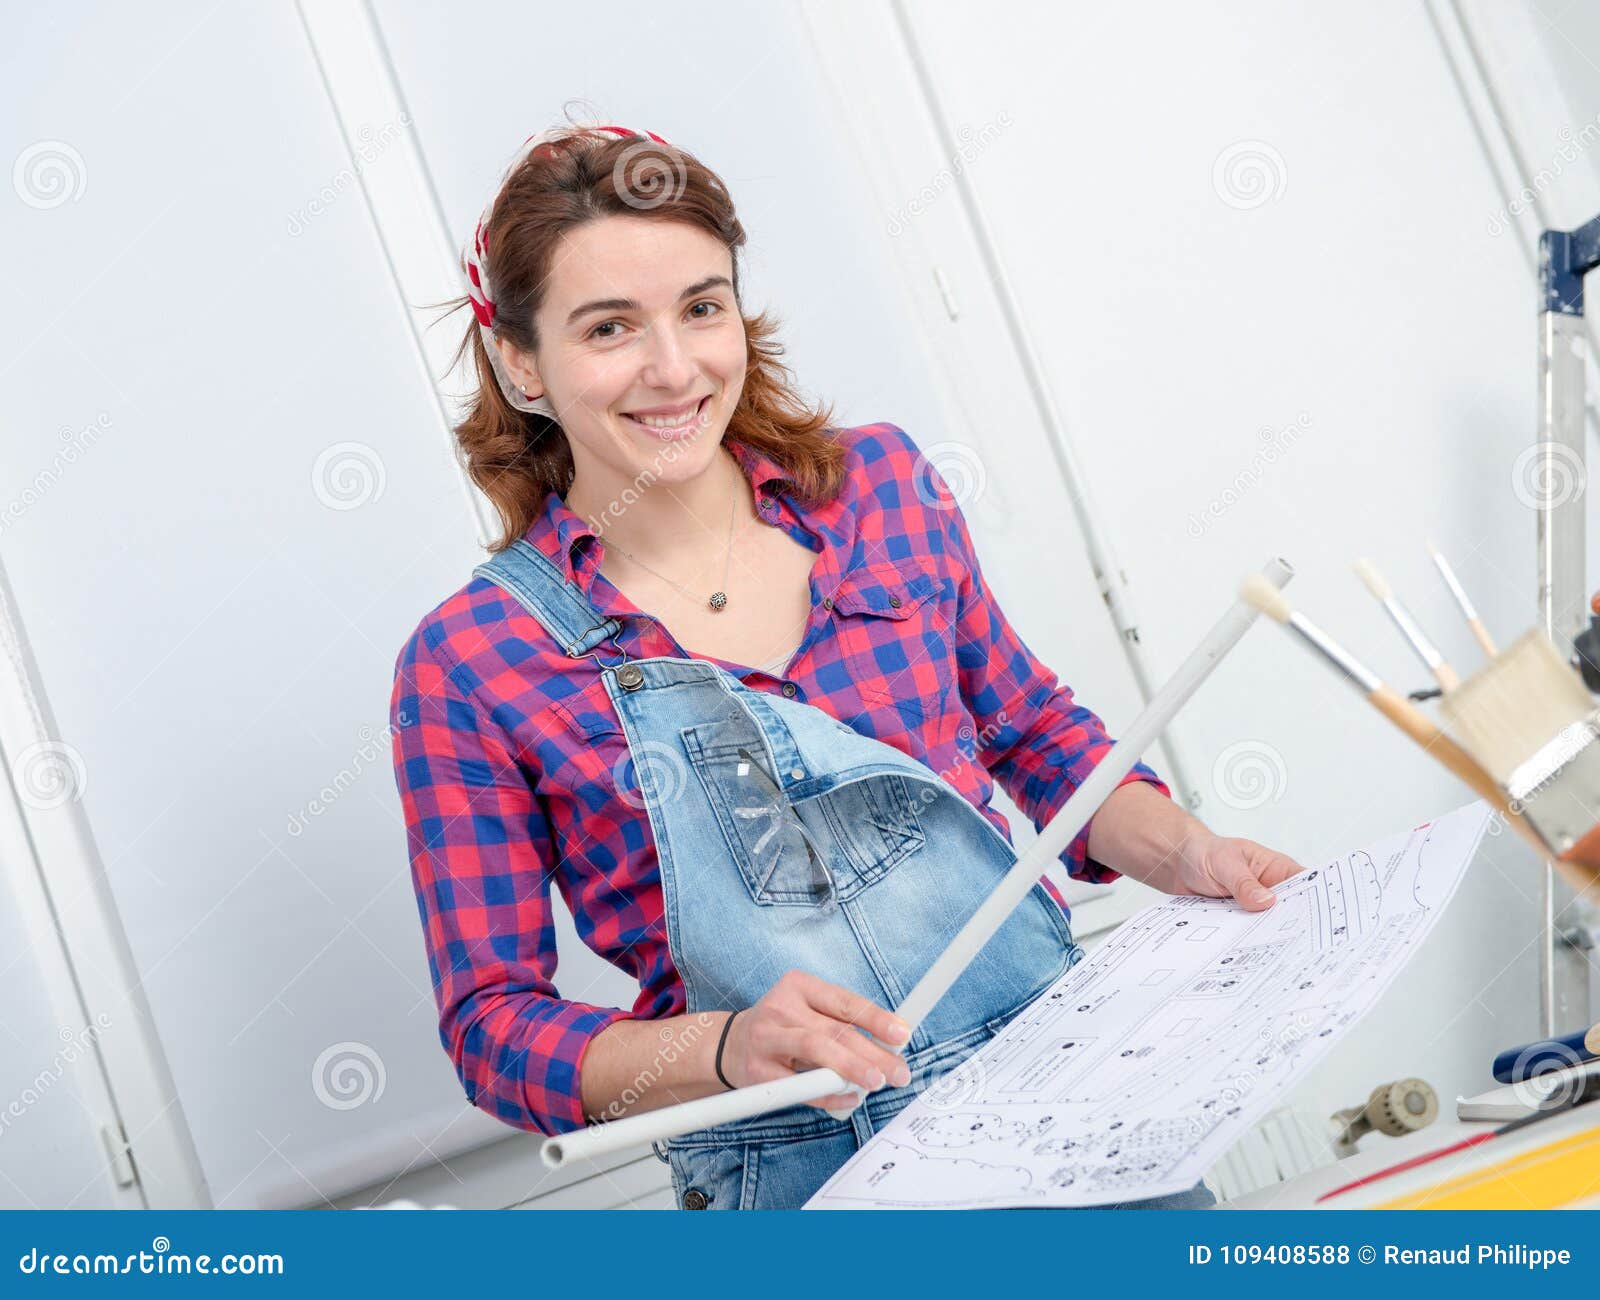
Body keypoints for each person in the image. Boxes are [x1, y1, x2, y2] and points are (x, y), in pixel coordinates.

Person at [390, 121, 1306, 1210]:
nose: (674, 368)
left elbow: (1033, 735)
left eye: (701, 306)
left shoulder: (879, 487)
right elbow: (495, 1028)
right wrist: (728, 1047)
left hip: (1069, 1111)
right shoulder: (471, 663)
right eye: (609, 328)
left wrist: (1186, 851)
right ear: (521, 362)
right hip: (802, 1183)